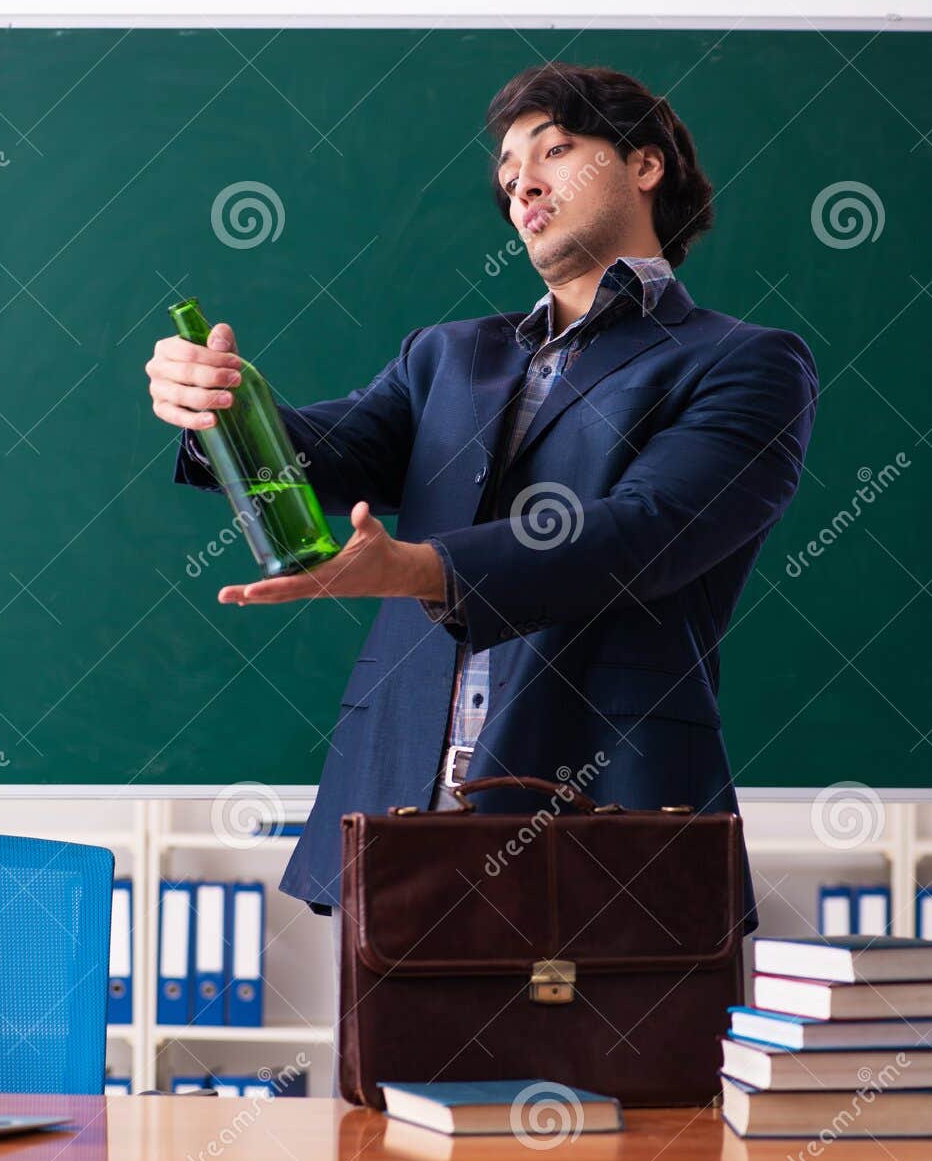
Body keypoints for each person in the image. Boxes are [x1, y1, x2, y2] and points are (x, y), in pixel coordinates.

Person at [146, 61, 819, 1060]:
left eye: (555, 149)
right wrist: (217, 406)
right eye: (507, 173)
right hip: (401, 817)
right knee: (388, 1126)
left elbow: (649, 531)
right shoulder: (447, 355)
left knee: (625, 1133)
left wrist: (423, 570)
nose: (523, 184)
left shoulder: (745, 362)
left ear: (644, 165)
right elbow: (315, 453)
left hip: (609, 817)